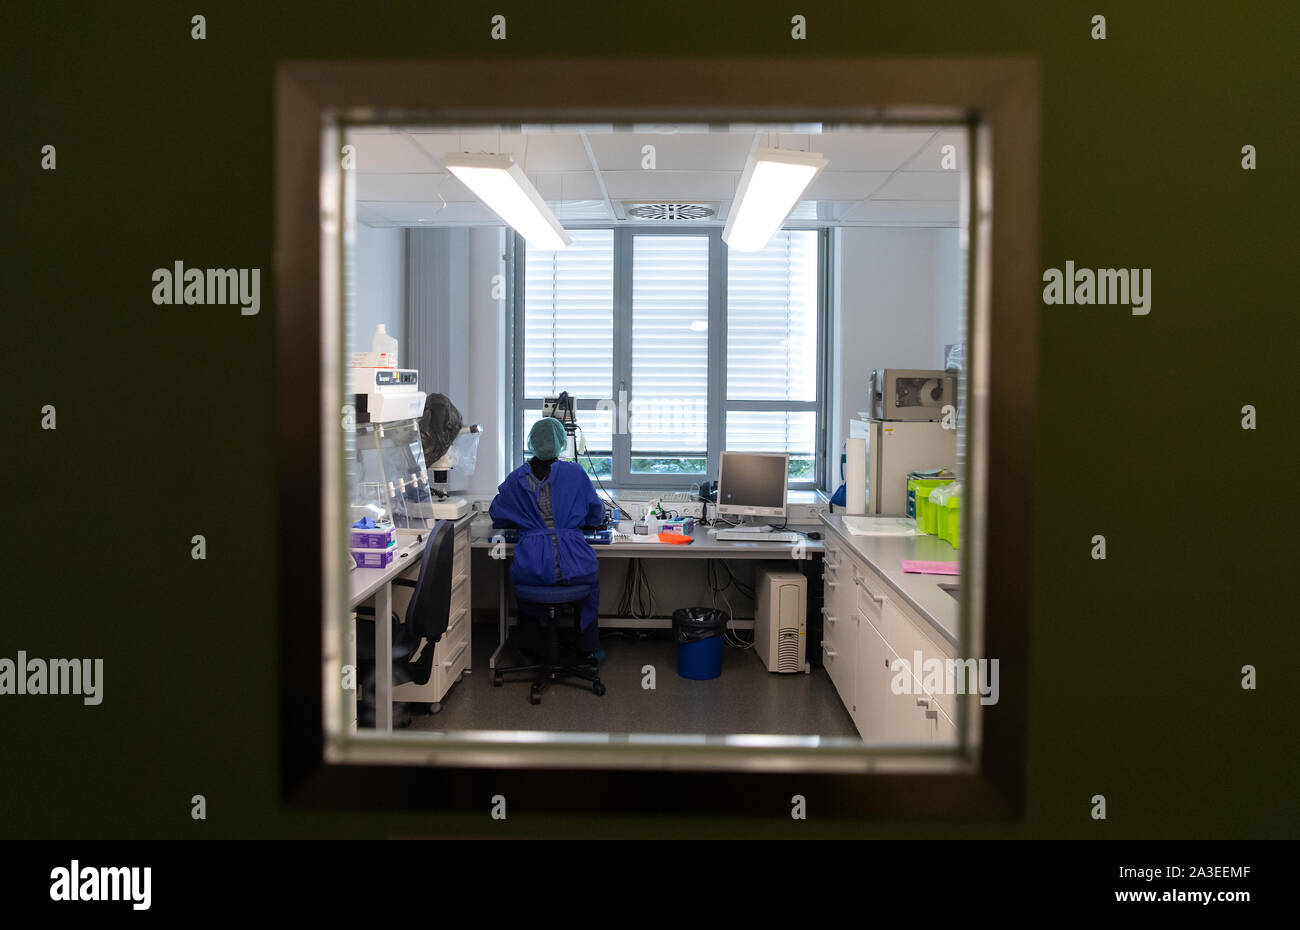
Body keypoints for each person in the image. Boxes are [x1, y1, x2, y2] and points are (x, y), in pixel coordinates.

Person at [490, 417, 606, 662]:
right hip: (575, 562)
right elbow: (596, 514)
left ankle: (529, 649)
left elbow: (497, 515)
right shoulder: (576, 473)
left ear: (532, 443)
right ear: (561, 443)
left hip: (533, 564)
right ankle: (588, 648)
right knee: (590, 585)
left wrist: (524, 521)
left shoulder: (515, 479)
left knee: (526, 589)